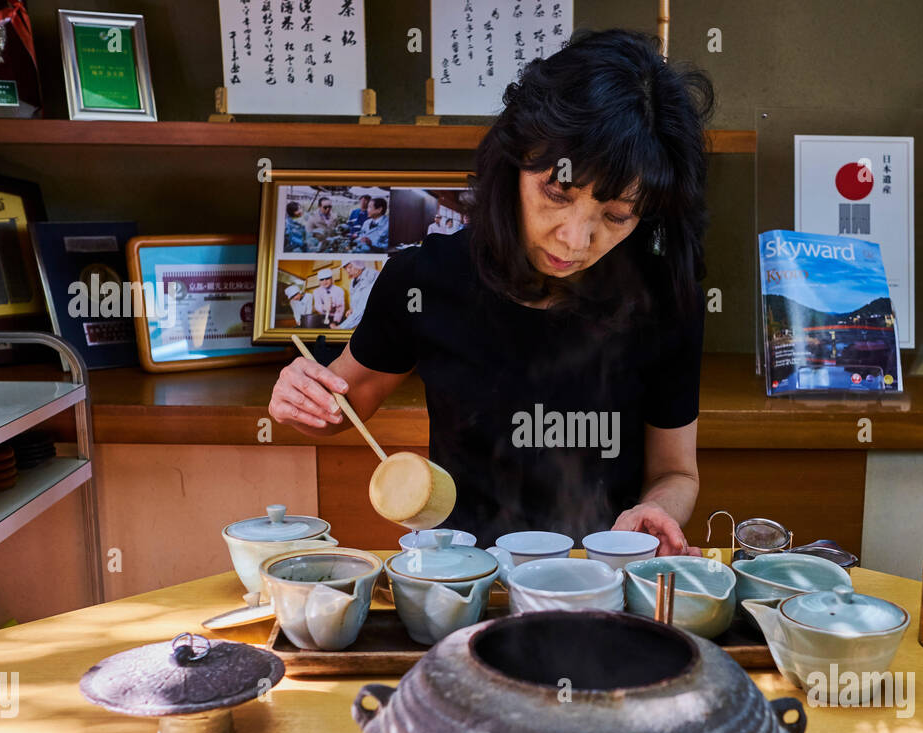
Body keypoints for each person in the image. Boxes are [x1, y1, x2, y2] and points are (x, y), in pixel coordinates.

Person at [269, 29, 712, 552]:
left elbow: (677, 472)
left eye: (615, 216)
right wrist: (301, 399)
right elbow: (344, 406)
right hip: (466, 579)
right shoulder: (425, 281)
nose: (576, 239)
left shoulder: (662, 298)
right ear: (518, 157)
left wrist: (656, 510)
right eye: (556, 193)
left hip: (601, 575)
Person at [335, 260, 379, 330]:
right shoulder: (354, 280)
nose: (348, 271)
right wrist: (352, 309)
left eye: (350, 267)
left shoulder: (372, 276)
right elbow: (357, 300)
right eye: (345, 268)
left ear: (359, 264)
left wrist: (341, 327)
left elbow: (363, 308)